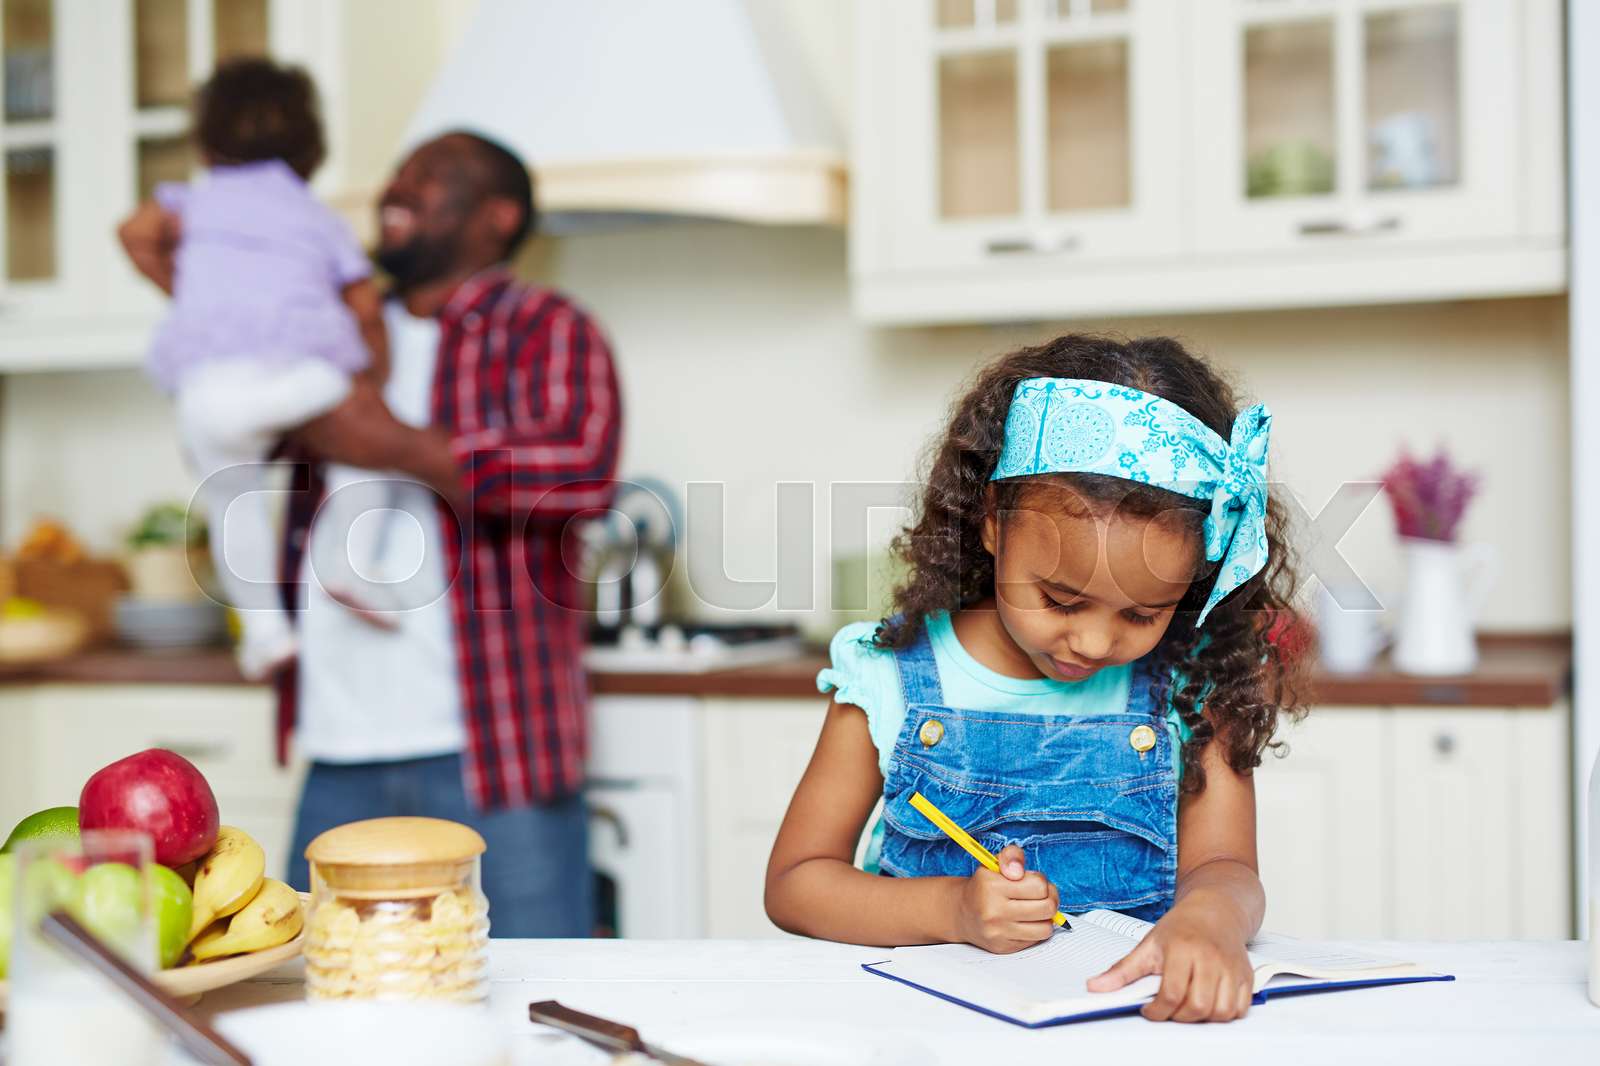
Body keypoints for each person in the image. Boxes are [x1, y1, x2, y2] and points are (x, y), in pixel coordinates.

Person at [764, 335, 1307, 1023]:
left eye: (1142, 614)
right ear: (993, 523)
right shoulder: (889, 677)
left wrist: (1211, 918)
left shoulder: (1190, 685)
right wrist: (951, 909)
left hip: (1130, 1029)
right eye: (1060, 600)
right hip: (920, 1034)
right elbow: (795, 884)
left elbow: (1228, 866)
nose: (1093, 641)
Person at [270, 131, 622, 937]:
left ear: (499, 216)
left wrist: (384, 440)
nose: (398, 187)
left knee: (539, 998)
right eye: (396, 171)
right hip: (336, 744)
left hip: (496, 751)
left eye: (431, 176)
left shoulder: (545, 326)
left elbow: (579, 474)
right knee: (317, 1000)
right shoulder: (334, 333)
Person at [117, 58, 393, 680]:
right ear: (310, 143)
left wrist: (188, 289)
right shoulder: (316, 216)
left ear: (206, 139)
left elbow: (133, 233)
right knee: (364, 451)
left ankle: (266, 635)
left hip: (210, 386)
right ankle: (352, 569)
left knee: (231, 502)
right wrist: (371, 377)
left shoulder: (192, 204)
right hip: (302, 374)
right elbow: (366, 303)